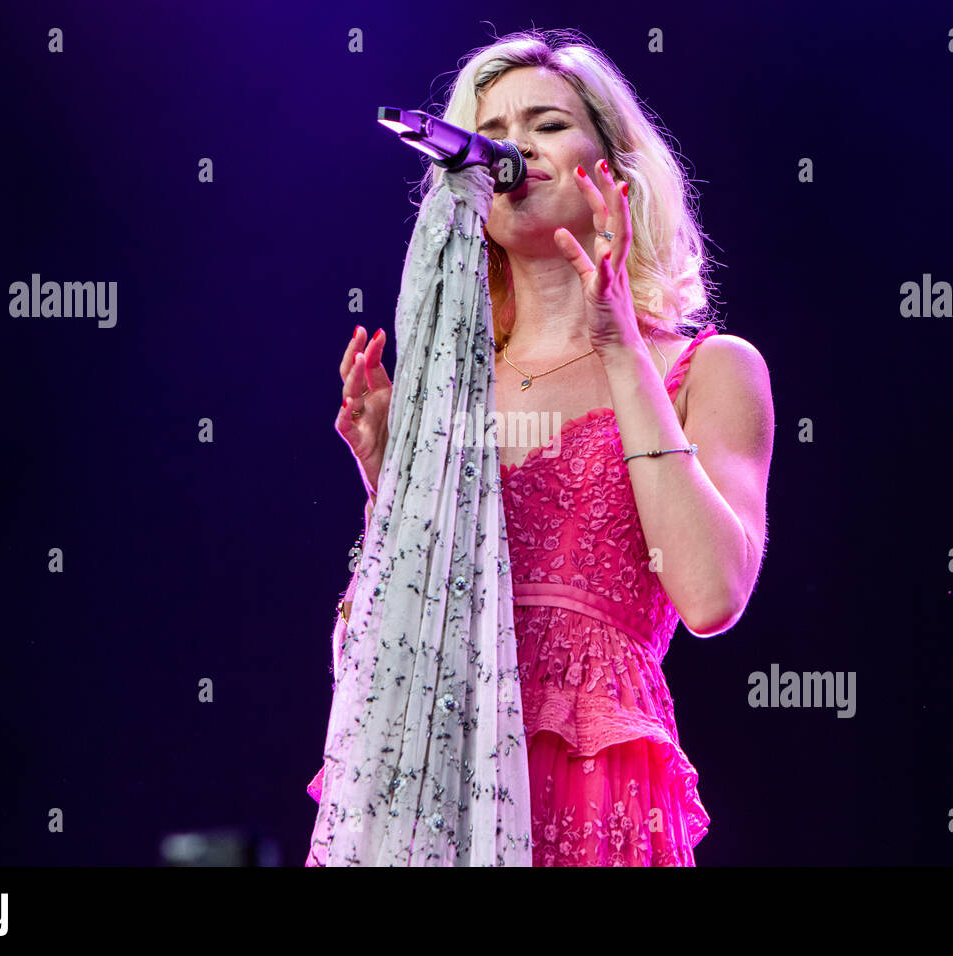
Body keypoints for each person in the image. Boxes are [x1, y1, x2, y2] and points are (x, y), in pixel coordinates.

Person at [325, 28, 774, 866]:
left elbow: (712, 594)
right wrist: (386, 478)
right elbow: (372, 648)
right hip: (445, 775)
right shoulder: (450, 385)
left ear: (614, 167)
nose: (510, 145)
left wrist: (620, 352)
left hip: (592, 778)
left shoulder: (708, 368)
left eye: (545, 123)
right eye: (493, 127)